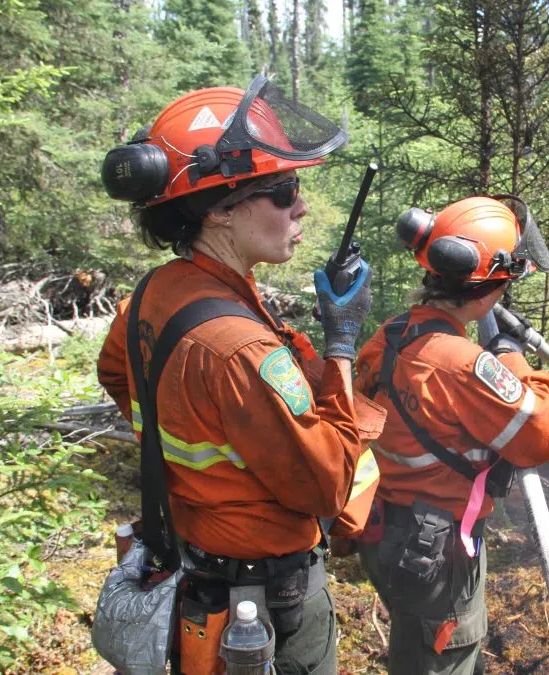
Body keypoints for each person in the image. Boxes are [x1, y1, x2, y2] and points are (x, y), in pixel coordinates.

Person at [96, 76, 384, 674]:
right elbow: (328, 486)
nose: (301, 206)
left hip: (194, 563)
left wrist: (199, 465)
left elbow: (119, 379)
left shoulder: (152, 294)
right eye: (283, 190)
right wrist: (342, 343)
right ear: (221, 211)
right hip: (264, 600)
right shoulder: (237, 350)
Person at [354, 196, 549, 675]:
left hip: (386, 531)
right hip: (436, 550)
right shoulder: (465, 366)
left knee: (417, 645)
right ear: (490, 287)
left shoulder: (388, 336)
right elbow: (545, 435)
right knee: (443, 653)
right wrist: (509, 355)